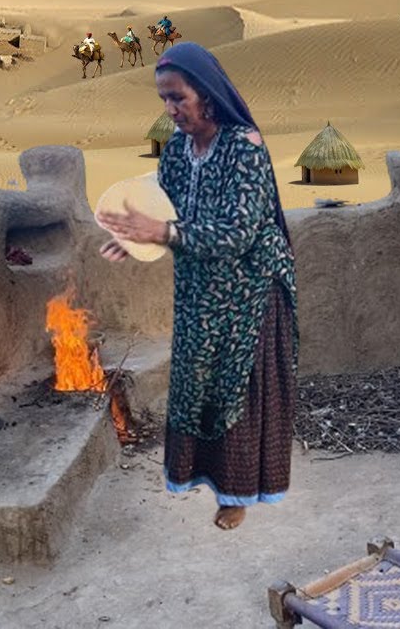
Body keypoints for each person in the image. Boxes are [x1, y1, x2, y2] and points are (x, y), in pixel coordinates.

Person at [96, 43, 297, 532]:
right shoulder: (179, 152)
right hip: (199, 289)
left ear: (207, 94)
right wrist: (135, 239)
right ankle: (203, 476)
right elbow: (168, 214)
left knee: (236, 390)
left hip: (249, 290)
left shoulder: (243, 146)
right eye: (164, 99)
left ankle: (239, 494)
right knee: (196, 383)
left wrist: (161, 234)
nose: (170, 109)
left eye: (178, 97)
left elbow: (240, 231)